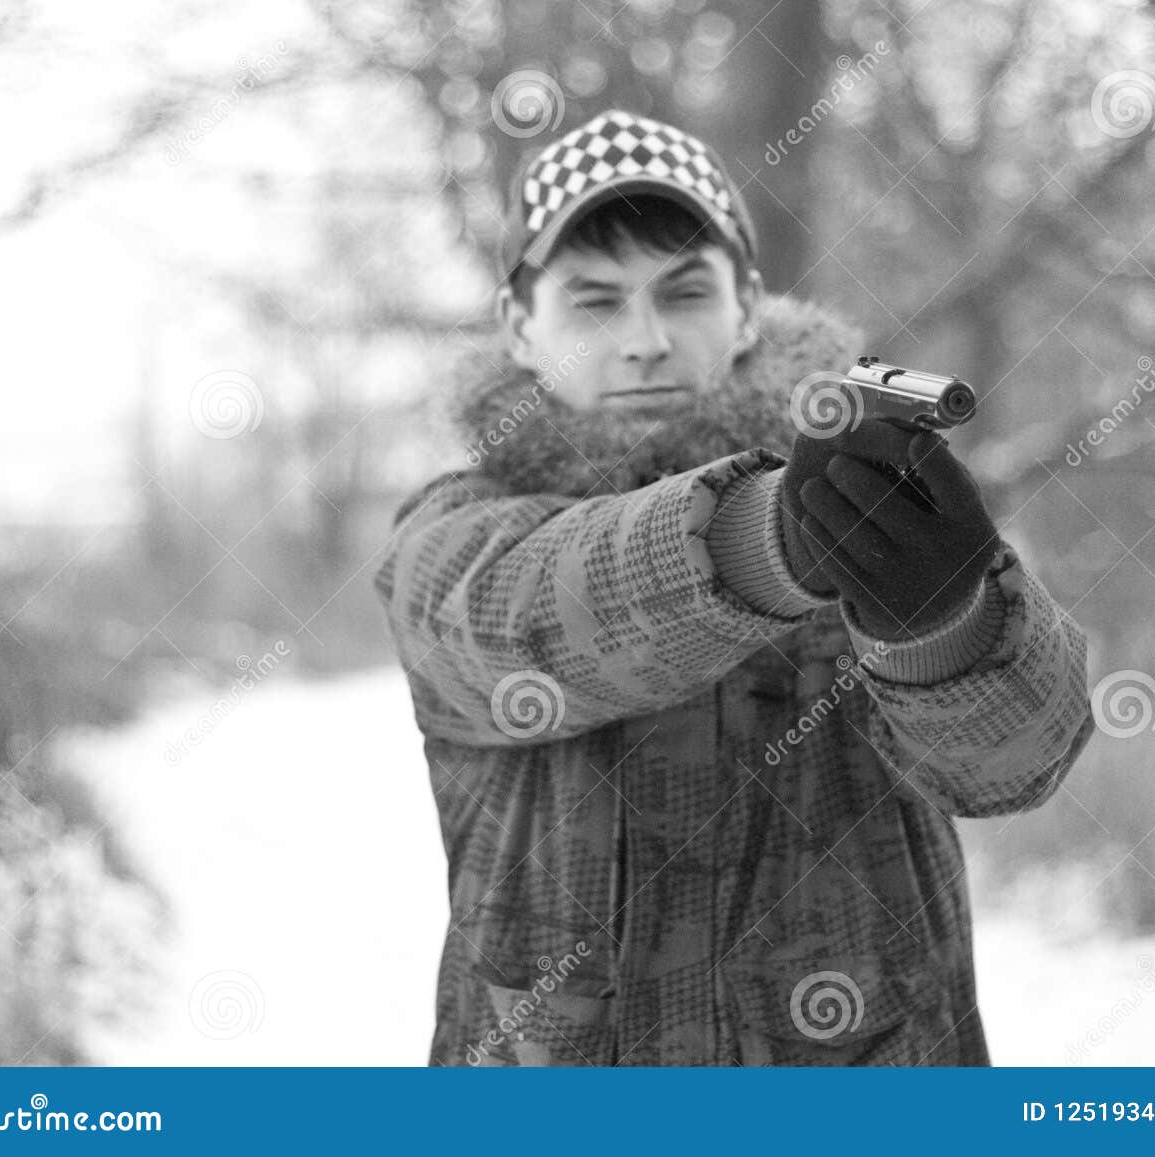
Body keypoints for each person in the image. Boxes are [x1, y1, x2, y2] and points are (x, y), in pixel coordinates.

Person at [374, 108, 1096, 1066]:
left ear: (747, 307)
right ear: (518, 325)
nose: (644, 340)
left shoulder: (871, 498)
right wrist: (771, 541)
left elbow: (1018, 764)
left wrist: (942, 622)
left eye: (683, 293)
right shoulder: (454, 530)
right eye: (595, 302)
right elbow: (526, 619)